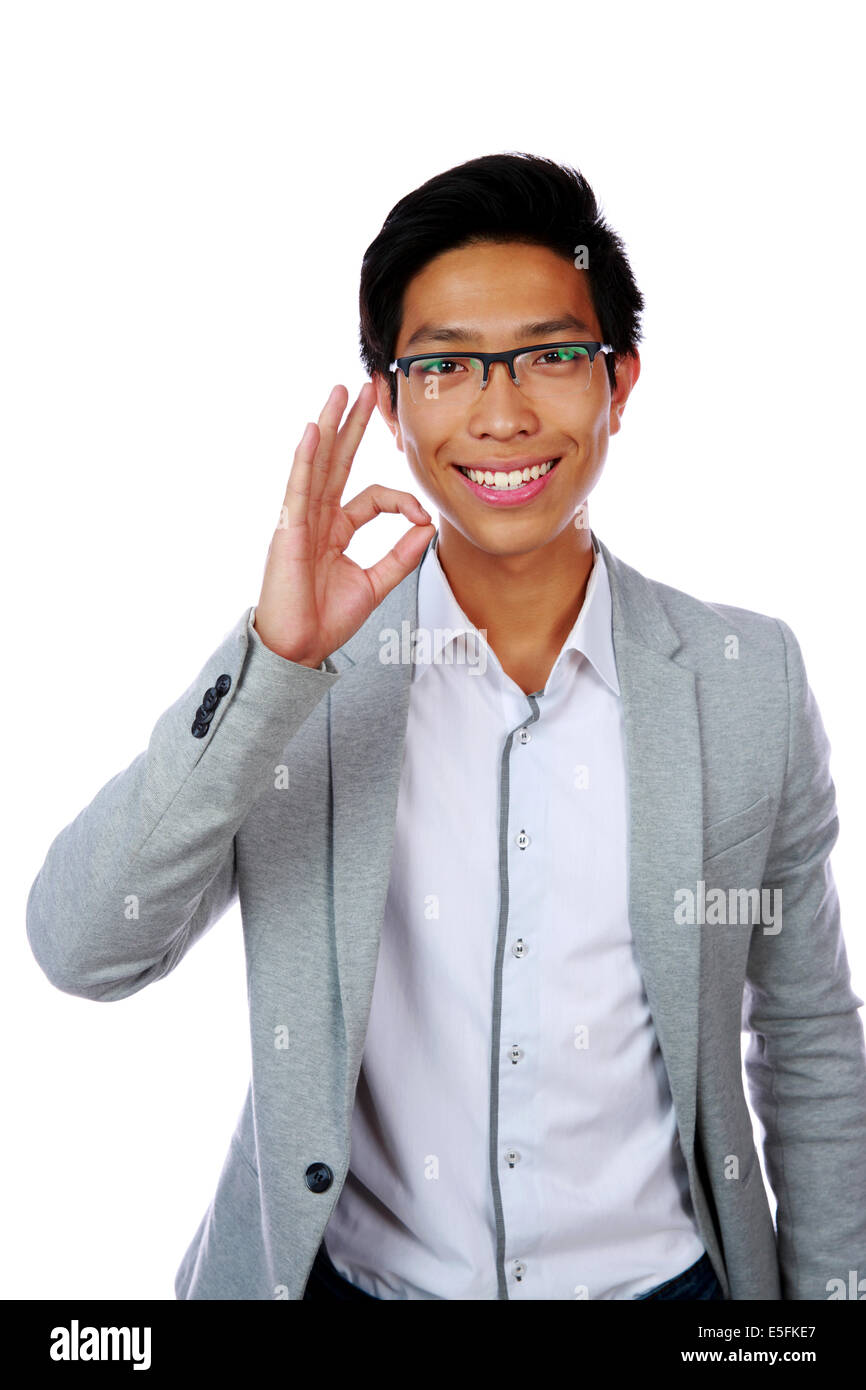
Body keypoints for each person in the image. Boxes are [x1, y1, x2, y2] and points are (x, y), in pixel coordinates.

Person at [26, 153, 866, 1301]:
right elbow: (83, 948)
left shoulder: (744, 680)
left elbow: (811, 1049)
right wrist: (276, 666)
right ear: (388, 401)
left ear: (618, 382)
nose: (503, 410)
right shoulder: (310, 685)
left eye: (551, 356)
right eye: (447, 367)